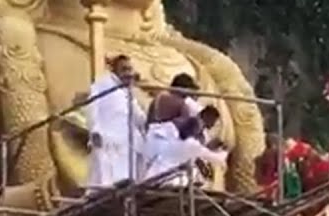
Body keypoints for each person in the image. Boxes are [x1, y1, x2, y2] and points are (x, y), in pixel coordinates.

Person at [85, 55, 149, 193]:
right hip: (108, 137)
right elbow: (92, 106)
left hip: (127, 141)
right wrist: (94, 129)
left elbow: (138, 116)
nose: (128, 73)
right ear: (114, 70)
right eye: (124, 69)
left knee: (130, 170)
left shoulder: (127, 91)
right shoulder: (103, 84)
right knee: (107, 174)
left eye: (130, 70)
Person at [143, 115, 229, 187]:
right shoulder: (190, 145)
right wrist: (225, 151)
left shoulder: (167, 130)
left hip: (150, 171)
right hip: (161, 179)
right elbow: (217, 158)